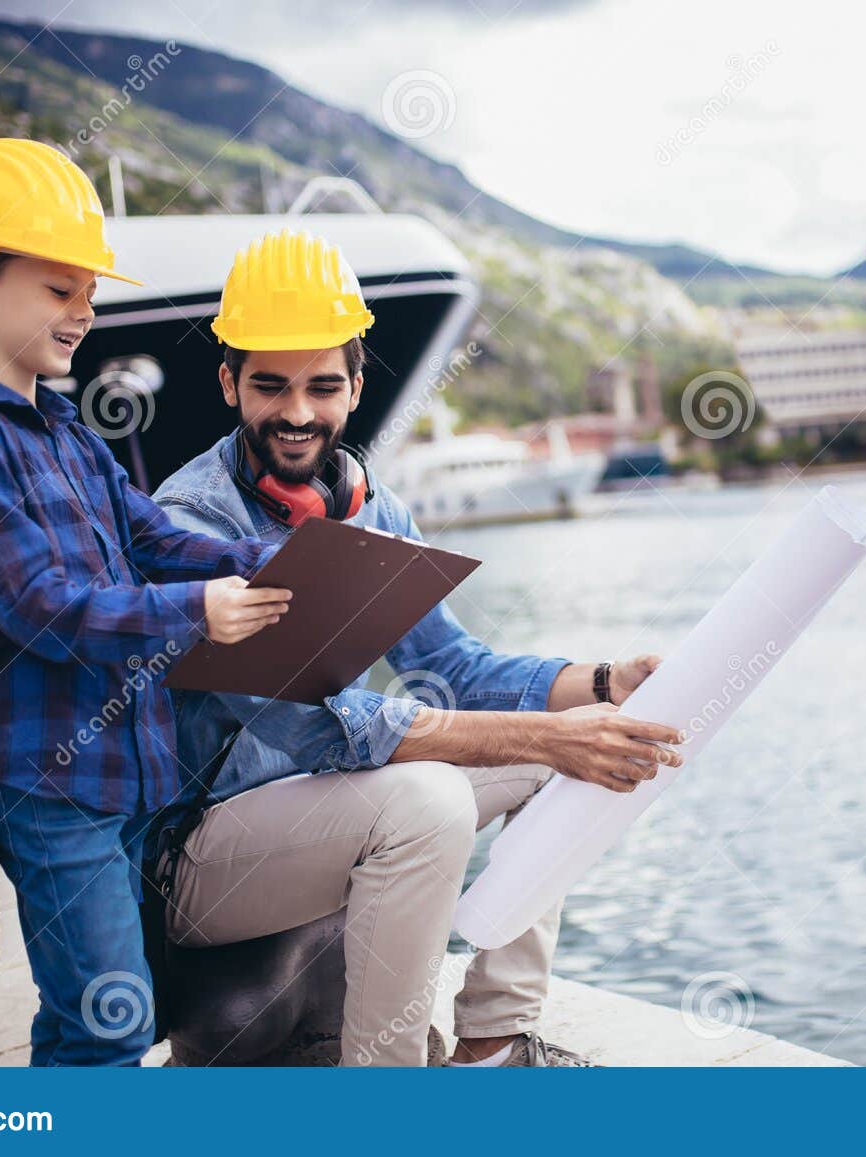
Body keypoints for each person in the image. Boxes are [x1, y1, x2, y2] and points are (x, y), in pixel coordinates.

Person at [153, 228, 684, 1067]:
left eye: (323, 386)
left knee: (561, 765)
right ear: (228, 383)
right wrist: (543, 731)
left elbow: (458, 670)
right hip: (203, 856)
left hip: (329, 815)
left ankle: (494, 1047)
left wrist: (606, 682)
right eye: (269, 386)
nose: (297, 412)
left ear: (357, 386)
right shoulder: (189, 522)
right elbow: (313, 724)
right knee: (431, 801)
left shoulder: (375, 507)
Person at [0, 139, 292, 1065]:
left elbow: (153, 541)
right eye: (60, 289)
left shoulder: (69, 434)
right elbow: (38, 605)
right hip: (48, 785)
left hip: (127, 775)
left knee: (96, 1017)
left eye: (88, 293)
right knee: (106, 1026)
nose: (84, 313)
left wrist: (283, 558)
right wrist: (199, 610)